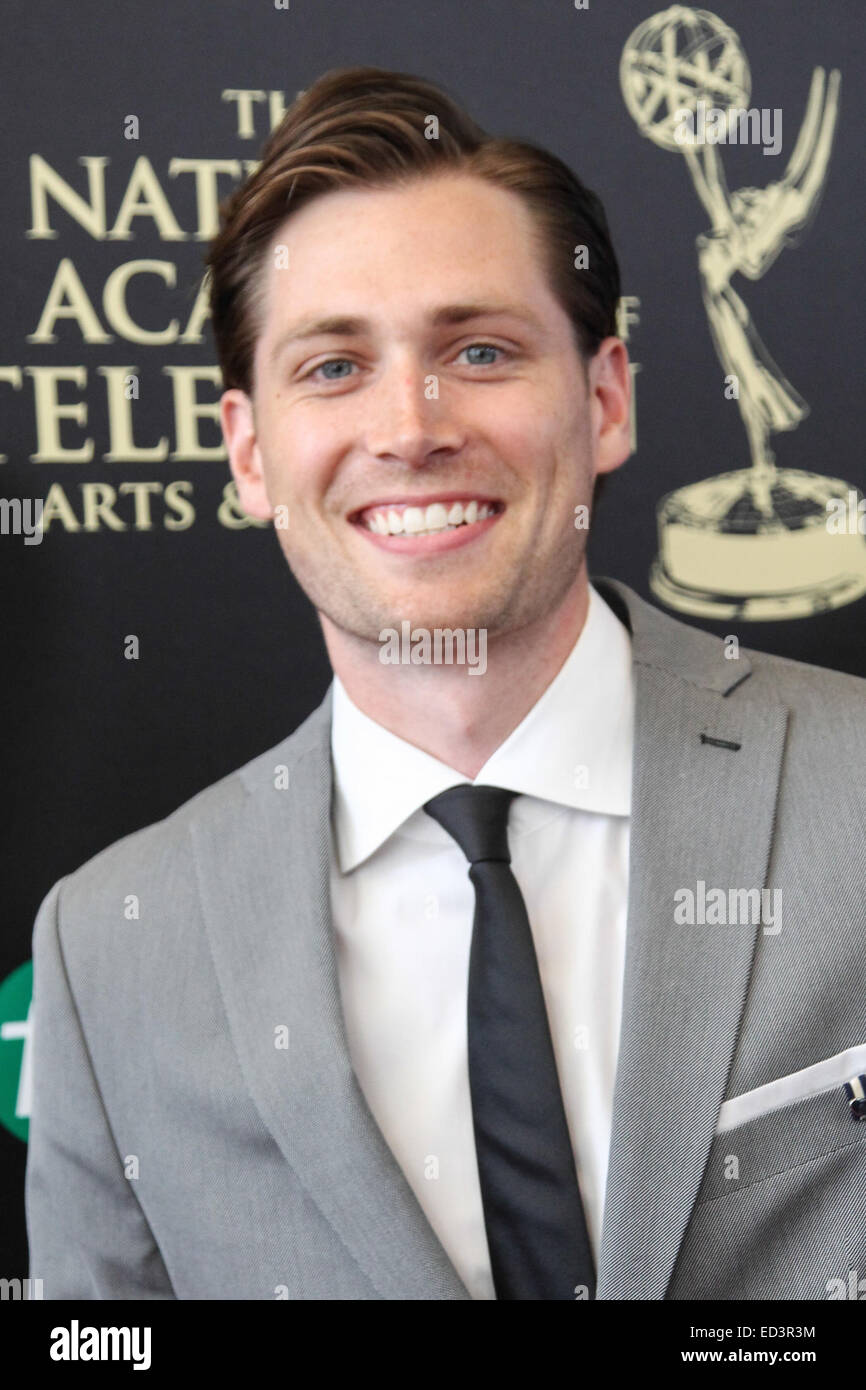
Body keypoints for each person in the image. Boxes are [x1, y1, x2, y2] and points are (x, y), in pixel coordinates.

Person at [25, 65, 866, 1301]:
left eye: (476, 349)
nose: (410, 424)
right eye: (330, 368)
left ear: (605, 399)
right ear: (250, 455)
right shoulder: (107, 954)